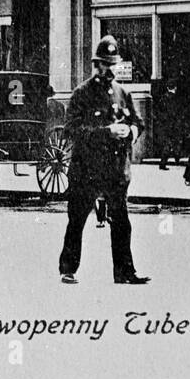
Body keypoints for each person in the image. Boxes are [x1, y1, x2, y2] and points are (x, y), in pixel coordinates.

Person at [58, 37, 148, 285]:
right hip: (87, 169)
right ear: (96, 65)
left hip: (115, 170)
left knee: (122, 223)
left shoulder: (122, 93)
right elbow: (71, 129)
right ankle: (68, 269)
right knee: (77, 220)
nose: (111, 69)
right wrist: (106, 132)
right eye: (106, 65)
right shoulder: (82, 94)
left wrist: (131, 132)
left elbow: (138, 122)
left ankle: (125, 272)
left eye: (114, 64)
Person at [153, 79, 187, 171]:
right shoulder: (176, 99)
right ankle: (173, 160)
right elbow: (178, 112)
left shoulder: (163, 98)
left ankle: (165, 162)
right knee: (176, 142)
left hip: (165, 124)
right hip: (174, 123)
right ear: (175, 88)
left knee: (168, 143)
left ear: (167, 88)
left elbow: (158, 112)